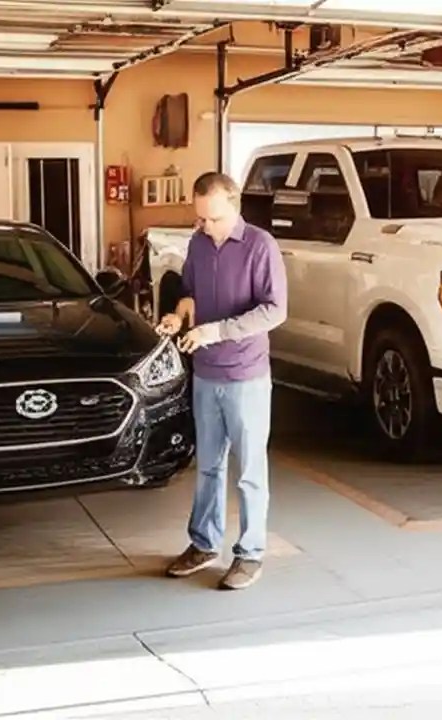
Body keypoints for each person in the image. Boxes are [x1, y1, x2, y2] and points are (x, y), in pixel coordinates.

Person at [157, 171, 287, 590]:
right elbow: (191, 293)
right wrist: (178, 316)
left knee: (249, 471)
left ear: (234, 207)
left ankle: (250, 554)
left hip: (245, 374)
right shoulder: (197, 243)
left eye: (212, 218)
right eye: (199, 219)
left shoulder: (260, 246)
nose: (204, 226)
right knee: (208, 467)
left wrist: (217, 331)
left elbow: (274, 310)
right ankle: (204, 543)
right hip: (206, 374)